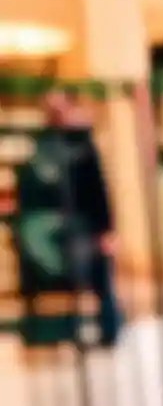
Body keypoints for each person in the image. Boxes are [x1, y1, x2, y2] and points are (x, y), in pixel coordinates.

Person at [42, 91, 121, 347]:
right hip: (70, 224)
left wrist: (107, 229)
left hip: (89, 224)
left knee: (100, 280)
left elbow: (98, 190)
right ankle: (76, 331)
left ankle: (109, 330)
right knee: (77, 280)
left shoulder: (82, 147)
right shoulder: (52, 146)